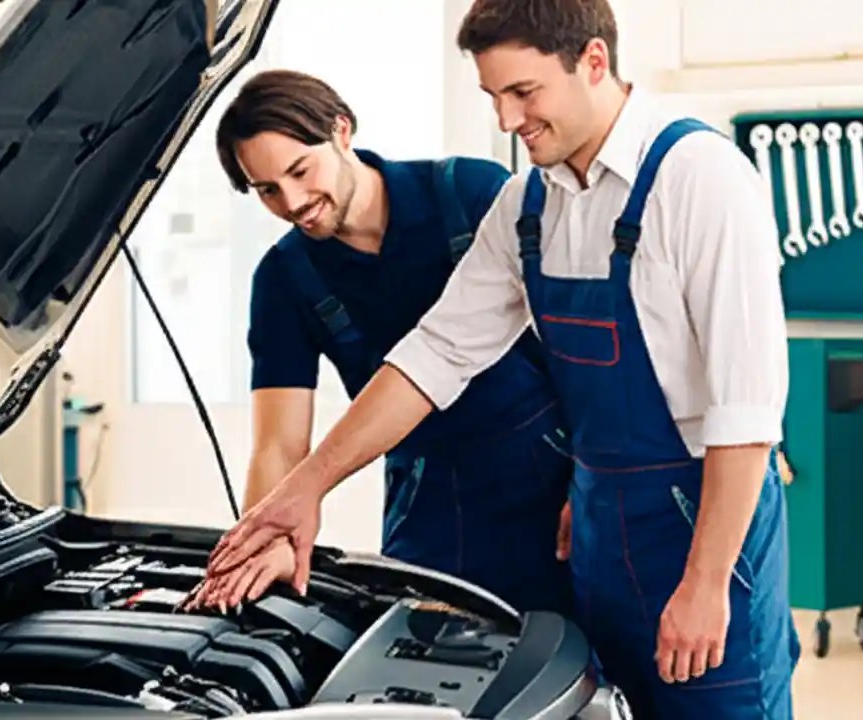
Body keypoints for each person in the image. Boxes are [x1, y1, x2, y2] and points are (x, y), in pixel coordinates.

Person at [201, 1, 802, 716]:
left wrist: (706, 583)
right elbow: (435, 354)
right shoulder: (528, 205)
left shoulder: (700, 179)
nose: (508, 121)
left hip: (700, 527)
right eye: (494, 98)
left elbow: (747, 410)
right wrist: (303, 492)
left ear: (594, 63)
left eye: (524, 93)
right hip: (597, 532)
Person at [189, 69, 575, 617]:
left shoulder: (473, 193)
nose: (294, 201)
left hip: (552, 476)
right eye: (268, 190)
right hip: (430, 508)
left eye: (301, 170)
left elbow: (584, 353)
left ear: (341, 131)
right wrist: (261, 542)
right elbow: (277, 444)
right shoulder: (282, 278)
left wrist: (595, 482)